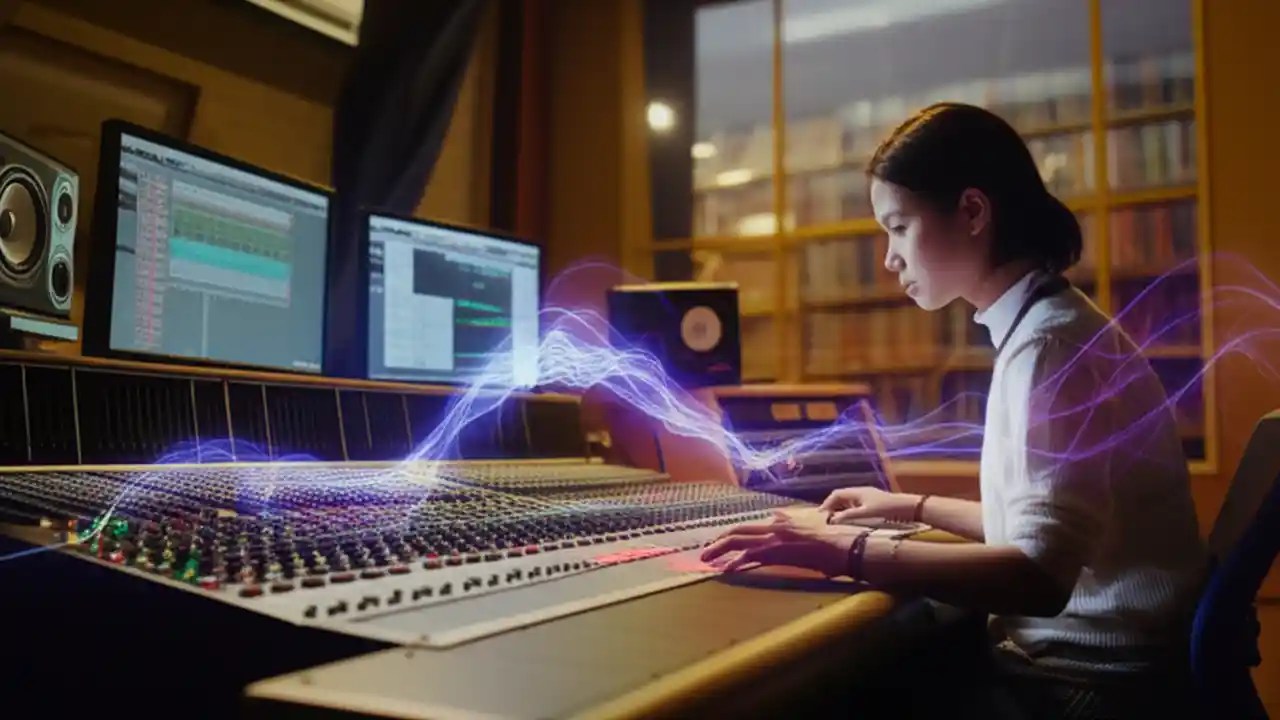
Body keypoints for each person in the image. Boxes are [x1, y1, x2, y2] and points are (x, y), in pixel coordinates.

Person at [701, 103, 1207, 719]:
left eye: (898, 227)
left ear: (971, 212)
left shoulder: (1049, 346)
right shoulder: (1050, 326)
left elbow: (1038, 577)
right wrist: (908, 506)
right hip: (1103, 671)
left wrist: (844, 549)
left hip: (1088, 688)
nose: (889, 258)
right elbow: (1036, 530)